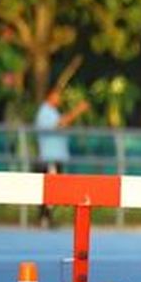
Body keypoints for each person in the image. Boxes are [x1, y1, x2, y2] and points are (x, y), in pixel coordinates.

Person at [32, 89, 89, 228]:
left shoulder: (52, 111)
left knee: (54, 191)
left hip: (56, 157)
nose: (60, 99)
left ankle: (46, 218)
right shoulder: (45, 112)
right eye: (57, 96)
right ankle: (45, 218)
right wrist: (78, 111)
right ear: (50, 96)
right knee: (51, 191)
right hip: (49, 158)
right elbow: (60, 123)